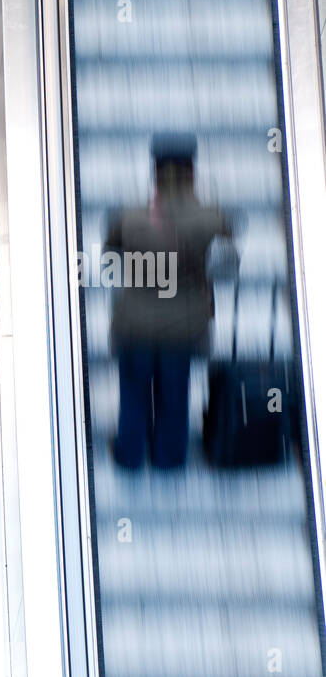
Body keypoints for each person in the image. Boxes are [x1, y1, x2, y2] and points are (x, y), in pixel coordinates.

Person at [104, 132, 236, 469]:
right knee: (175, 396)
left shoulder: (127, 216)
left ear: (156, 172)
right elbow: (228, 268)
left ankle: (129, 454)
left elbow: (109, 262)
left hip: (135, 326)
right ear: (192, 171)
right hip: (184, 327)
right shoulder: (214, 217)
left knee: (133, 394)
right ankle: (169, 456)